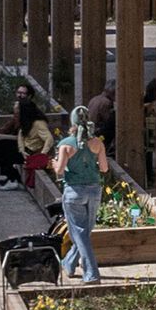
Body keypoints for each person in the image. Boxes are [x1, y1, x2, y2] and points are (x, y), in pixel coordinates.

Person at [53, 105, 109, 283]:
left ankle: (91, 273)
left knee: (78, 232)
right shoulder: (97, 143)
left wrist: (54, 163)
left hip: (74, 191)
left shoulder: (65, 145)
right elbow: (104, 168)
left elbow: (60, 170)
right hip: (94, 190)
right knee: (84, 232)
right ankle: (69, 263)